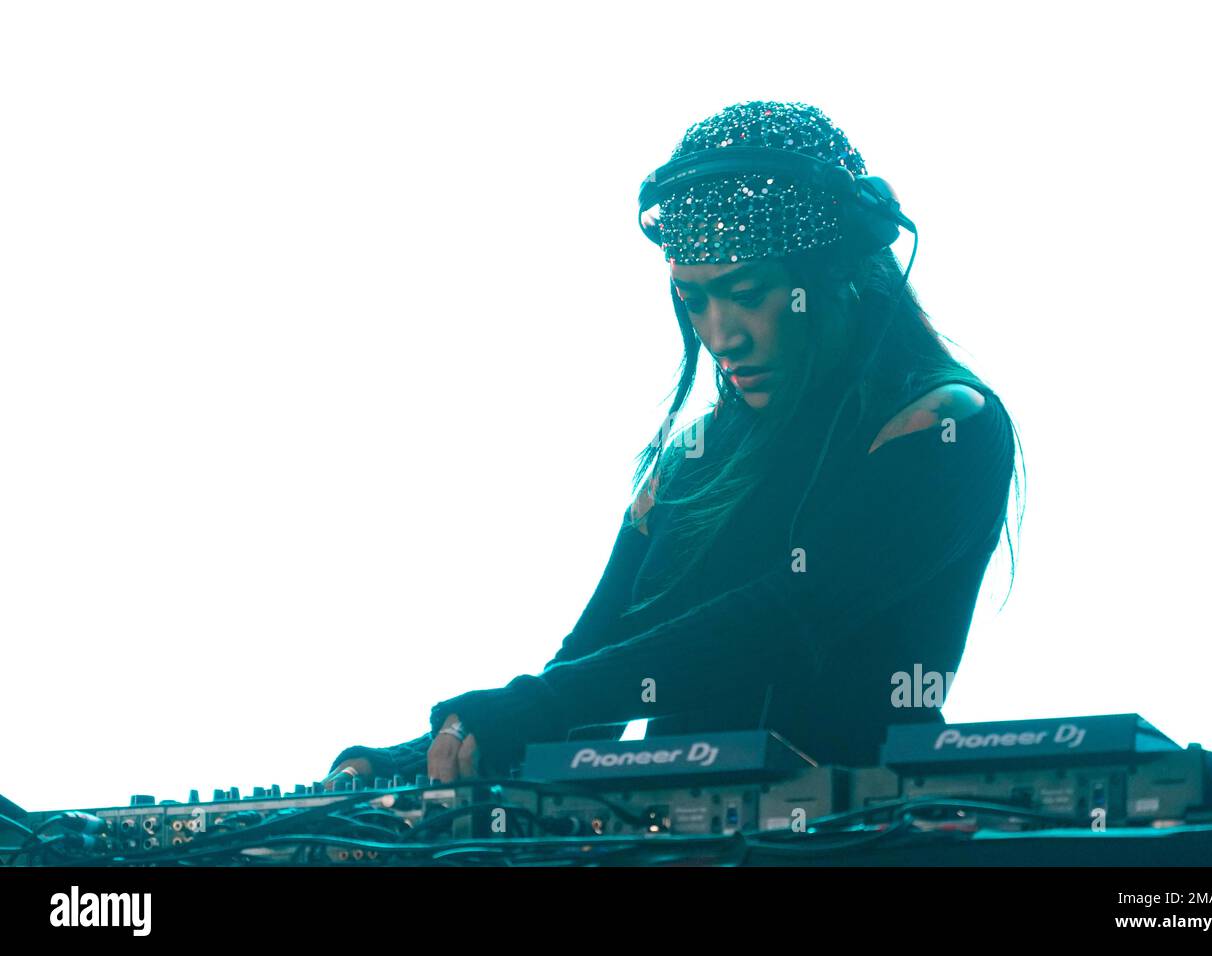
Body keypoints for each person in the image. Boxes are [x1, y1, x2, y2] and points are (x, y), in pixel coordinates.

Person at [321, 100, 1021, 791]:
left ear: (838, 274)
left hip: (866, 838)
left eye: (747, 293)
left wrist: (522, 712)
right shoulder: (695, 457)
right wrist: (435, 751)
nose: (721, 335)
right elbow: (597, 656)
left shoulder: (945, 423)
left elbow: (792, 616)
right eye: (693, 301)